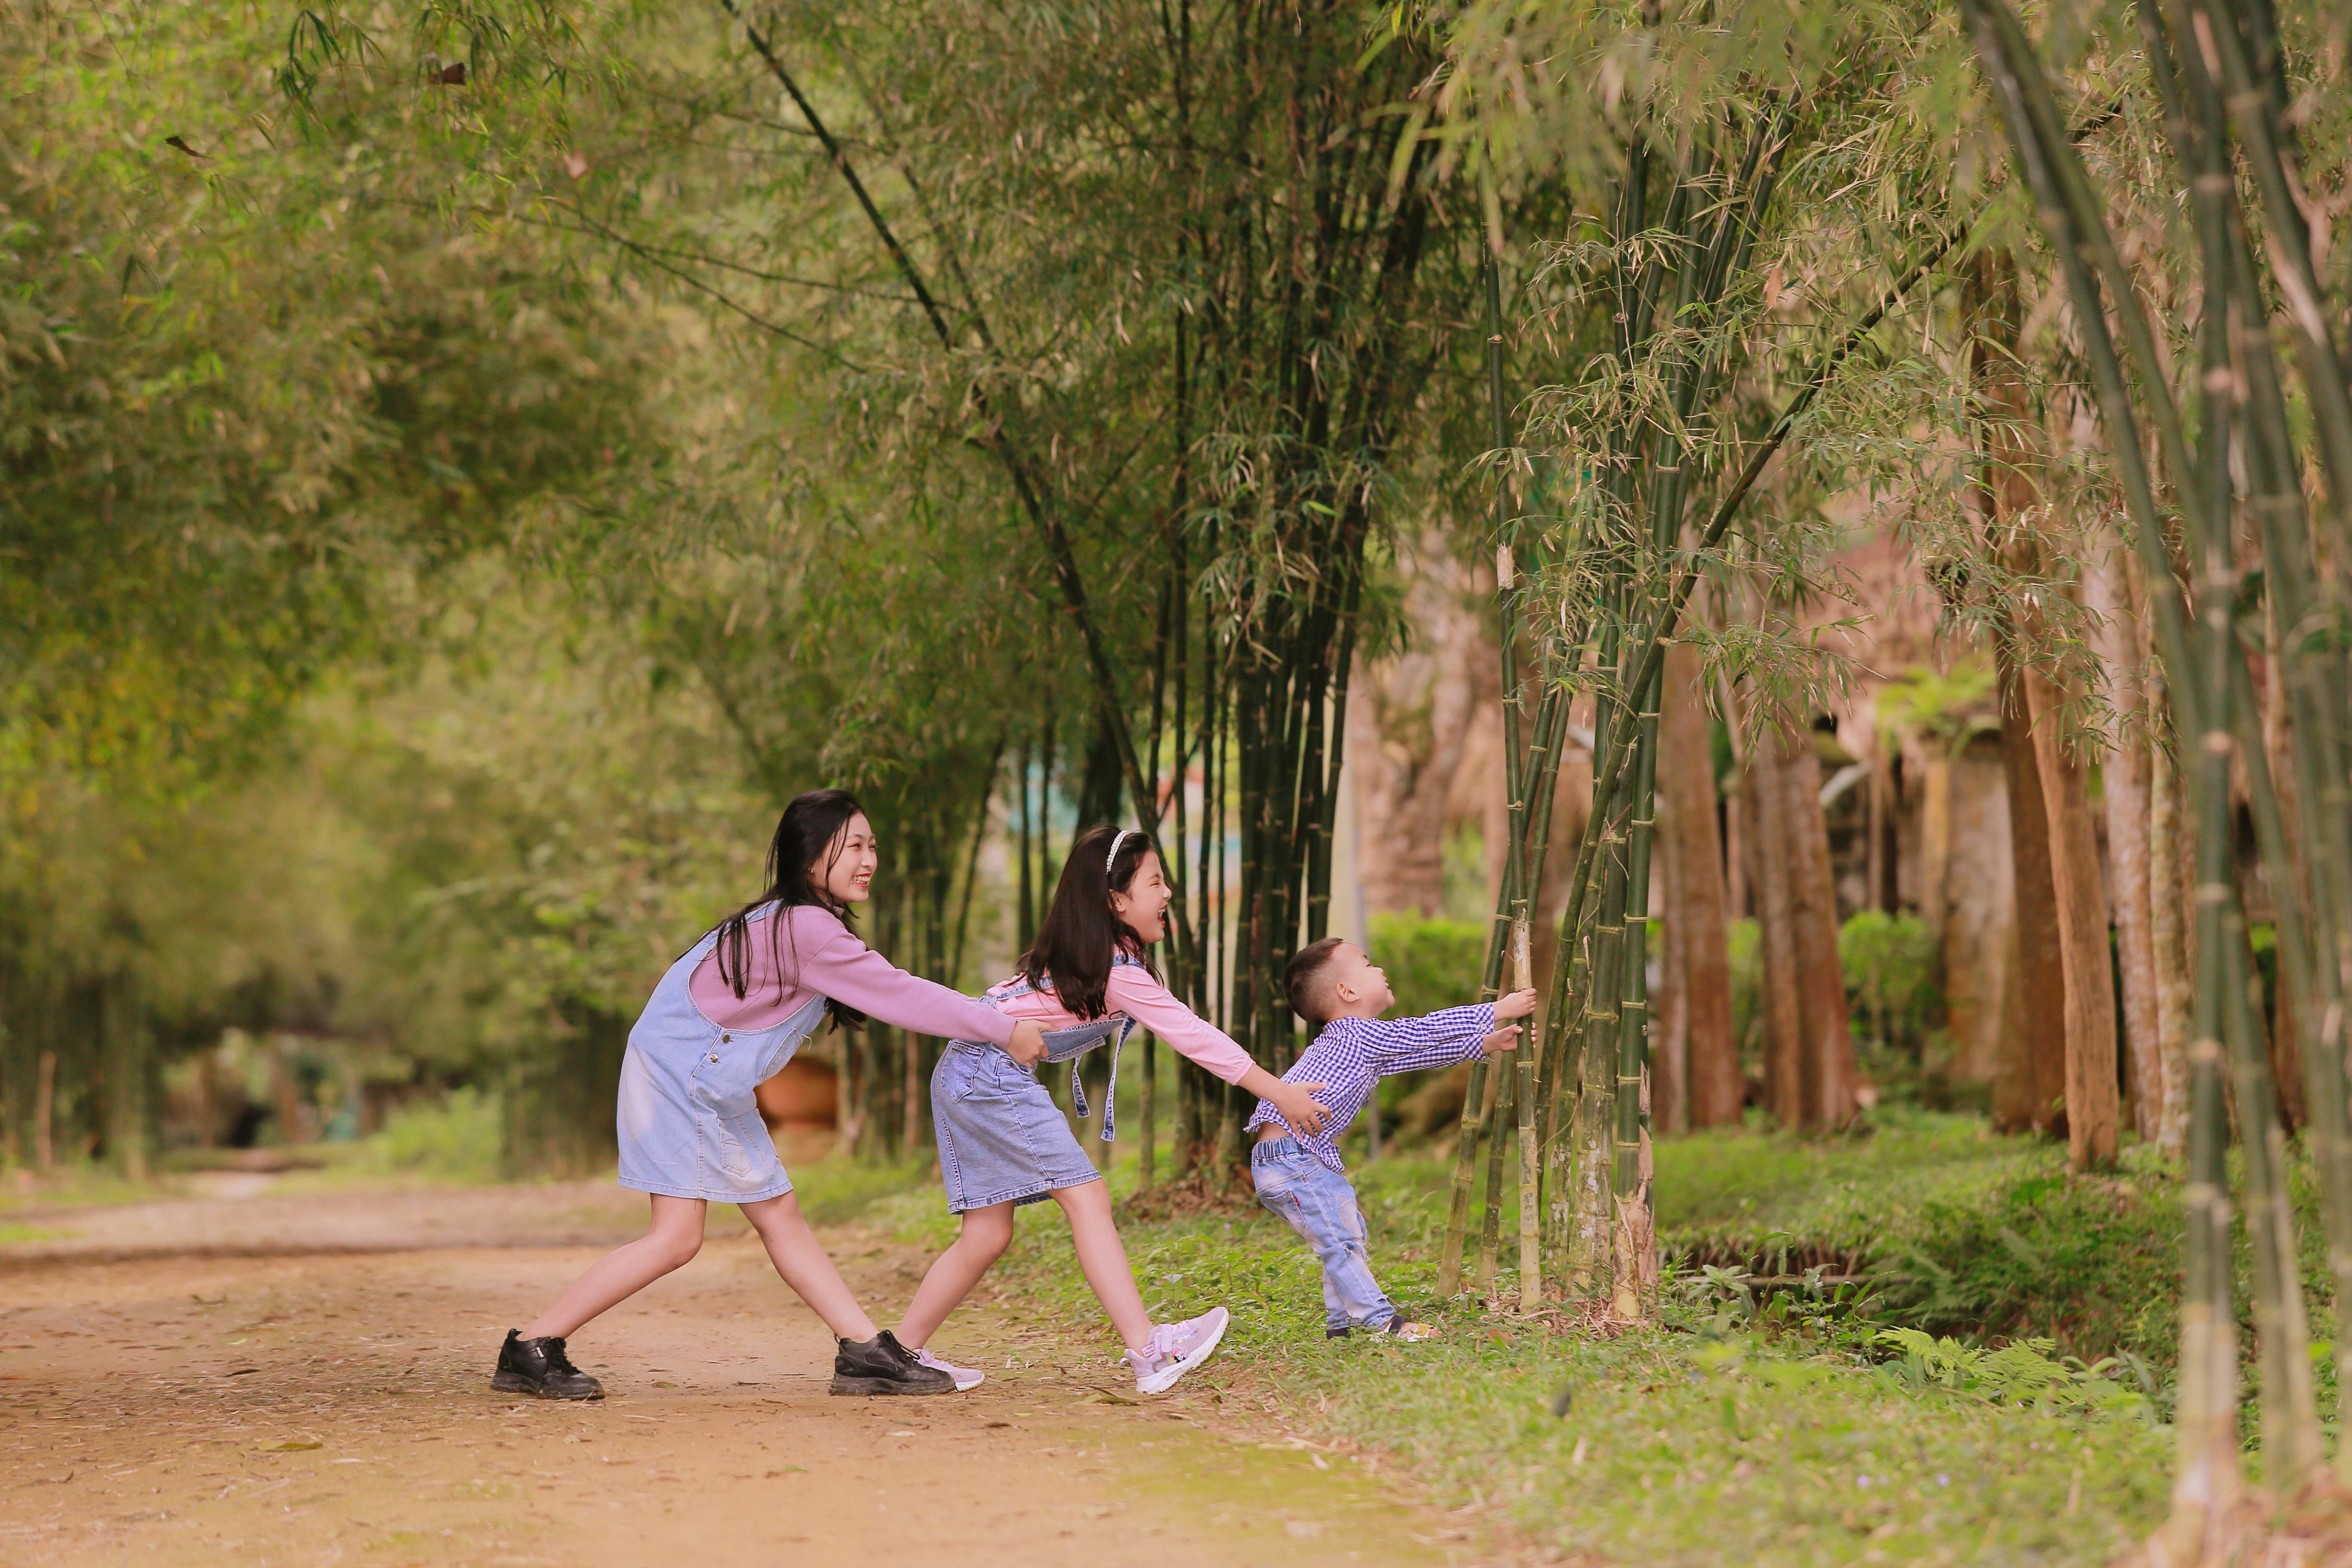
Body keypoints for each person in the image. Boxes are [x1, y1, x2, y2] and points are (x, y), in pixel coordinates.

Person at [490, 789, 1047, 1400]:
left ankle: (862, 1350)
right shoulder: (805, 927)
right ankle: (533, 1347)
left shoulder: (791, 920)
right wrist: (1003, 1028)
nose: (870, 859)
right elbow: (902, 994)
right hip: (685, 1075)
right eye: (854, 846)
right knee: (676, 1238)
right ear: (811, 857)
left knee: (779, 1215)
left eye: (873, 847)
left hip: (701, 1074)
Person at [893, 824, 1332, 1396]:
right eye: (1155, 881)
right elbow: (1194, 1036)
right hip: (986, 1073)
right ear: (1115, 900)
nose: (1169, 892)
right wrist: (1280, 1090)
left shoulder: (1104, 959)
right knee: (1087, 1197)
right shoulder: (1115, 969)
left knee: (987, 1232)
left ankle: (898, 1353)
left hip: (968, 1070)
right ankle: (1150, 1349)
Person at [1247, 937, 1534, 1341]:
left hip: (1294, 1159)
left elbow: (1416, 1054)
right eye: (1367, 964)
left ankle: (1340, 1326)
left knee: (1345, 1236)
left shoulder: (1359, 1042)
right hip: (1292, 1160)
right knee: (1341, 1242)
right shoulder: (1356, 1035)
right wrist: (1497, 1010)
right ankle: (1383, 1323)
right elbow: (1423, 1030)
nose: (1379, 969)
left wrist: (1485, 1043)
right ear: (1346, 992)